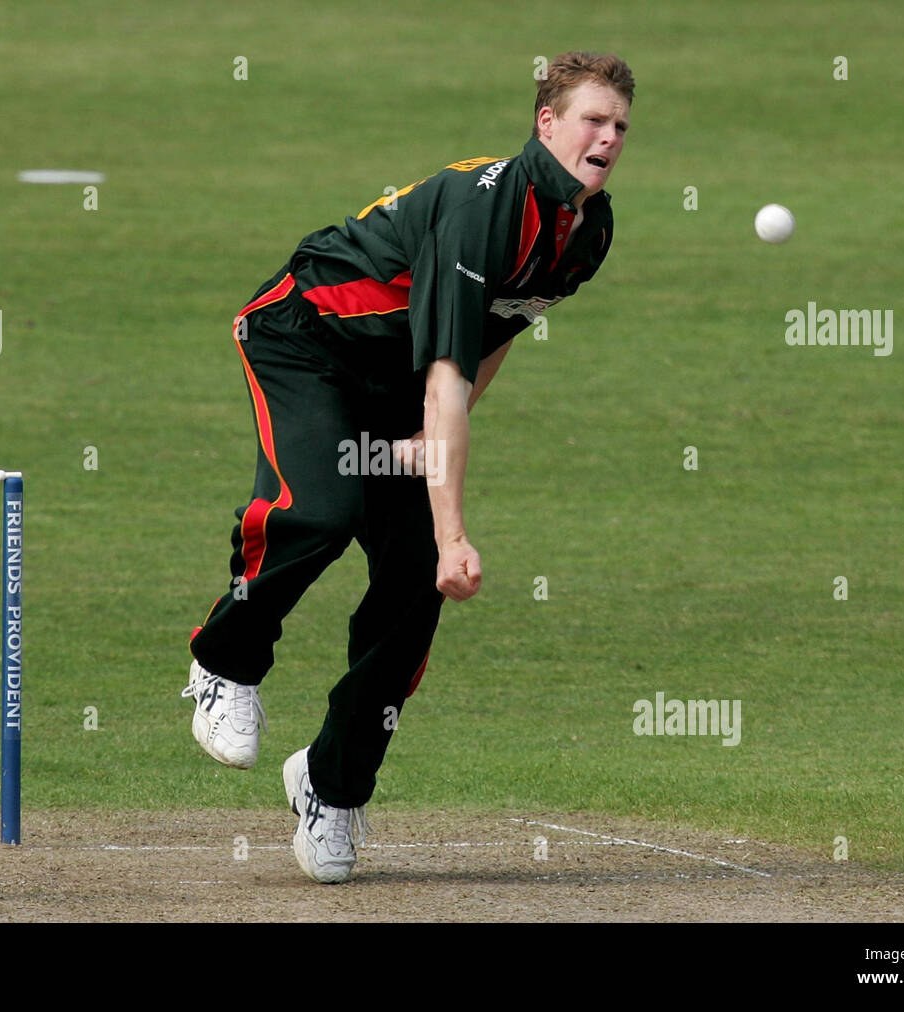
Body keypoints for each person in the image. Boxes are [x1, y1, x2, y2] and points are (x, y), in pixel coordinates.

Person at [183, 51, 634, 883]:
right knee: (320, 510)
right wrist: (455, 525)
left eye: (619, 128)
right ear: (546, 123)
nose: (607, 137)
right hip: (305, 338)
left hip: (398, 386)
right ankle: (224, 662)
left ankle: (329, 786)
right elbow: (446, 377)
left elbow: (489, 344)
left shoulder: (588, 232)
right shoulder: (483, 209)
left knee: (415, 583)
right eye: (591, 120)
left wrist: (433, 461)